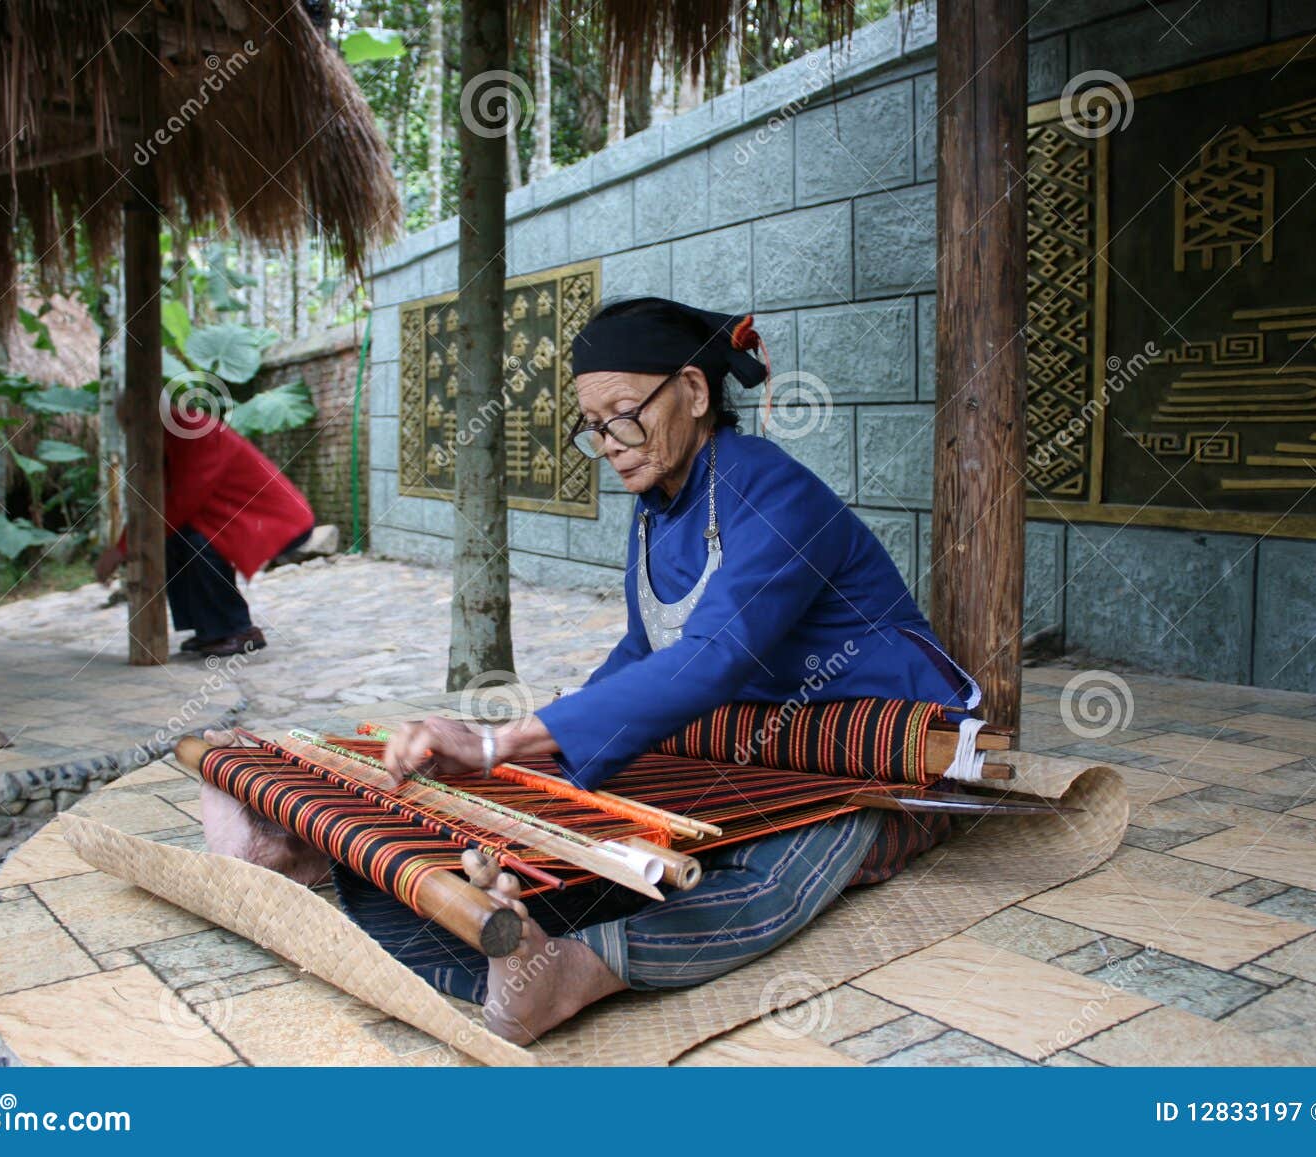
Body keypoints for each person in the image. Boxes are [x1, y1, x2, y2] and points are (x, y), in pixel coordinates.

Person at [369, 296, 981, 1043]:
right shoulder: (659, 501)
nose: (611, 442)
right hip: (764, 739)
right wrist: (545, 761)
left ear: (693, 392)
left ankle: (576, 967)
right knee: (609, 804)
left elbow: (716, 656)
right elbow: (643, 650)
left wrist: (503, 740)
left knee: (780, 862)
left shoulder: (769, 486)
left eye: (624, 413)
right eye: (594, 427)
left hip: (888, 746)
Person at [96, 404, 313, 657]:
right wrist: (123, 545)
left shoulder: (193, 431)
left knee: (198, 543)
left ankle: (238, 631)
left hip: (277, 521)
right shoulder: (168, 436)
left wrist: (122, 549)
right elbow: (155, 503)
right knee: (176, 540)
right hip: (239, 520)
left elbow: (183, 500)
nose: (129, 431)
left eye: (131, 423)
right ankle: (209, 629)